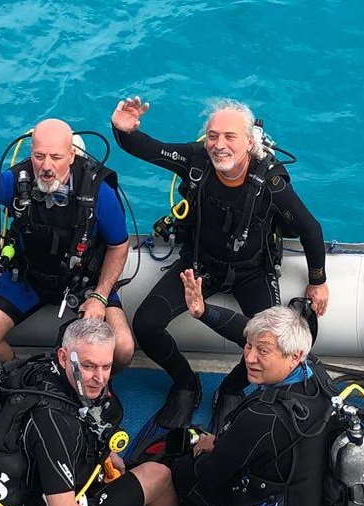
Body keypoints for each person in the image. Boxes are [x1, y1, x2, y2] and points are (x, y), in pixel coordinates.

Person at [110, 96, 329, 425]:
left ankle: (229, 389)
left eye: (230, 137)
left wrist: (318, 281)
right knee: (145, 323)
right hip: (201, 264)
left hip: (253, 271)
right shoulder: (196, 160)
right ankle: (186, 383)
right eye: (213, 135)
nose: (219, 145)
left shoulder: (269, 181)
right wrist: (123, 130)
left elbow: (310, 229)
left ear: (250, 141)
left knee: (267, 342)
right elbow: (148, 147)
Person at [147, 271, 341, 506]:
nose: (249, 357)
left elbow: (209, 476)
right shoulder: (315, 373)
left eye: (262, 351)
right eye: (248, 346)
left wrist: (210, 449)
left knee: (184, 468)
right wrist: (202, 312)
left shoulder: (262, 417)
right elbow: (246, 329)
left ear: (293, 355)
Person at [0, 118, 134, 370]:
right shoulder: (18, 180)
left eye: (56, 157)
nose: (47, 167)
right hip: (29, 277)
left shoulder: (99, 193)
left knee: (123, 349)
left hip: (84, 282)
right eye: (39, 156)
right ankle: (23, 375)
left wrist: (100, 295)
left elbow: (119, 245)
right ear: (31, 154)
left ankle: (90, 385)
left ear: (72, 155)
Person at [0, 318, 173, 506]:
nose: (99, 379)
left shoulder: (46, 372)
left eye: (106, 366)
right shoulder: (53, 423)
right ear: (63, 356)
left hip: (41, 492)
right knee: (159, 475)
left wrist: (106, 456)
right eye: (89, 366)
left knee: (122, 466)